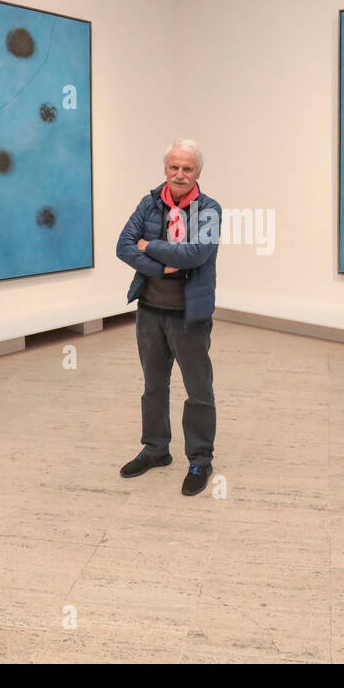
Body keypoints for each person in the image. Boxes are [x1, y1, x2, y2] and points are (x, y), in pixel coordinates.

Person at [115, 139, 221, 496]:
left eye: (187, 168)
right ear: (165, 169)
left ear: (198, 173)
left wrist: (149, 246)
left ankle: (200, 459)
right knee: (153, 388)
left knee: (198, 392)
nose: (179, 174)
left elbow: (195, 253)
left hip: (189, 317)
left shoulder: (210, 210)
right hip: (149, 312)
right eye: (174, 167)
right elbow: (123, 245)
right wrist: (164, 267)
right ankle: (156, 449)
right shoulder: (149, 203)